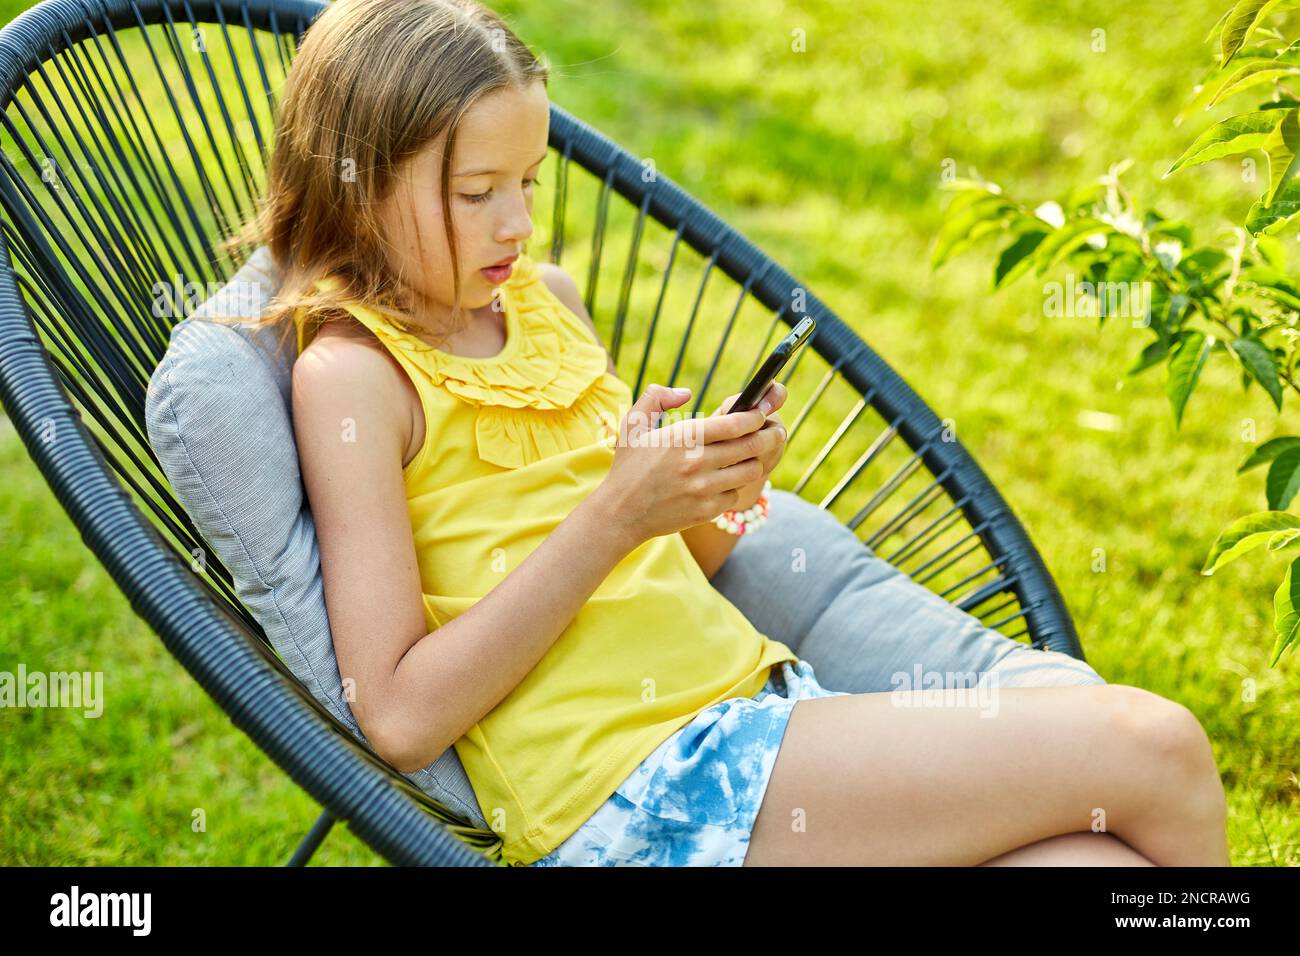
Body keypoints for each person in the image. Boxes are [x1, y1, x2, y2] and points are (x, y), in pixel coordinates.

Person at [227, 0, 1229, 867]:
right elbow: (399, 716)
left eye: (529, 182)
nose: (517, 225)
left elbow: (695, 556)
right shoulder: (354, 378)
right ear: (360, 182)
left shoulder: (547, 306)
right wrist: (614, 515)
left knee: (1089, 857)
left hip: (761, 715)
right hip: (644, 792)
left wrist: (710, 482)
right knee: (1157, 745)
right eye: (477, 192)